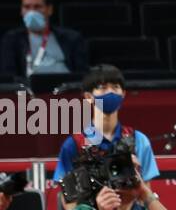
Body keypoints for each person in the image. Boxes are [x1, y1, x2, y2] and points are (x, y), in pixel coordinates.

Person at [53, 66, 160, 199]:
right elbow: (69, 201)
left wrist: (136, 175)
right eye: (103, 88)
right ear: (88, 96)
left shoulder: (139, 140)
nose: (110, 92)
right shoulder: (73, 144)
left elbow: (146, 197)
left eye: (115, 87)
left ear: (123, 94)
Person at [1, 0, 88, 80]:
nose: (32, 12)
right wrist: (23, 95)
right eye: (27, 7)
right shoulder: (11, 39)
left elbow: (82, 74)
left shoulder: (72, 38)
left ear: (49, 9)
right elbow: (10, 78)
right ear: (21, 10)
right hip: (30, 92)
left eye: (37, 7)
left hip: (67, 91)